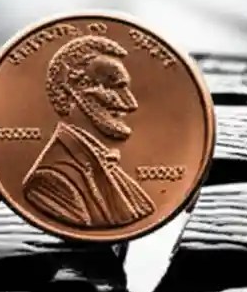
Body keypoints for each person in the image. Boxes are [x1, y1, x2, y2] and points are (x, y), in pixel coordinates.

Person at [23, 35, 155, 229]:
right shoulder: (49, 180)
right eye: (116, 87)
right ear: (74, 89)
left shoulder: (101, 161)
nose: (131, 104)